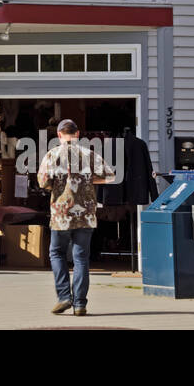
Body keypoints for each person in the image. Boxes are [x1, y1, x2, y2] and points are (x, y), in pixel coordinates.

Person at [37, 119, 116, 317]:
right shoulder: (90, 154)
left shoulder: (52, 154)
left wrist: (58, 185)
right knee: (81, 259)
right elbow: (111, 176)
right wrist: (88, 179)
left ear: (59, 135)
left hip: (61, 214)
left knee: (57, 253)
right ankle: (80, 304)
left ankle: (64, 297)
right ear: (78, 134)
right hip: (86, 214)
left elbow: (43, 181)